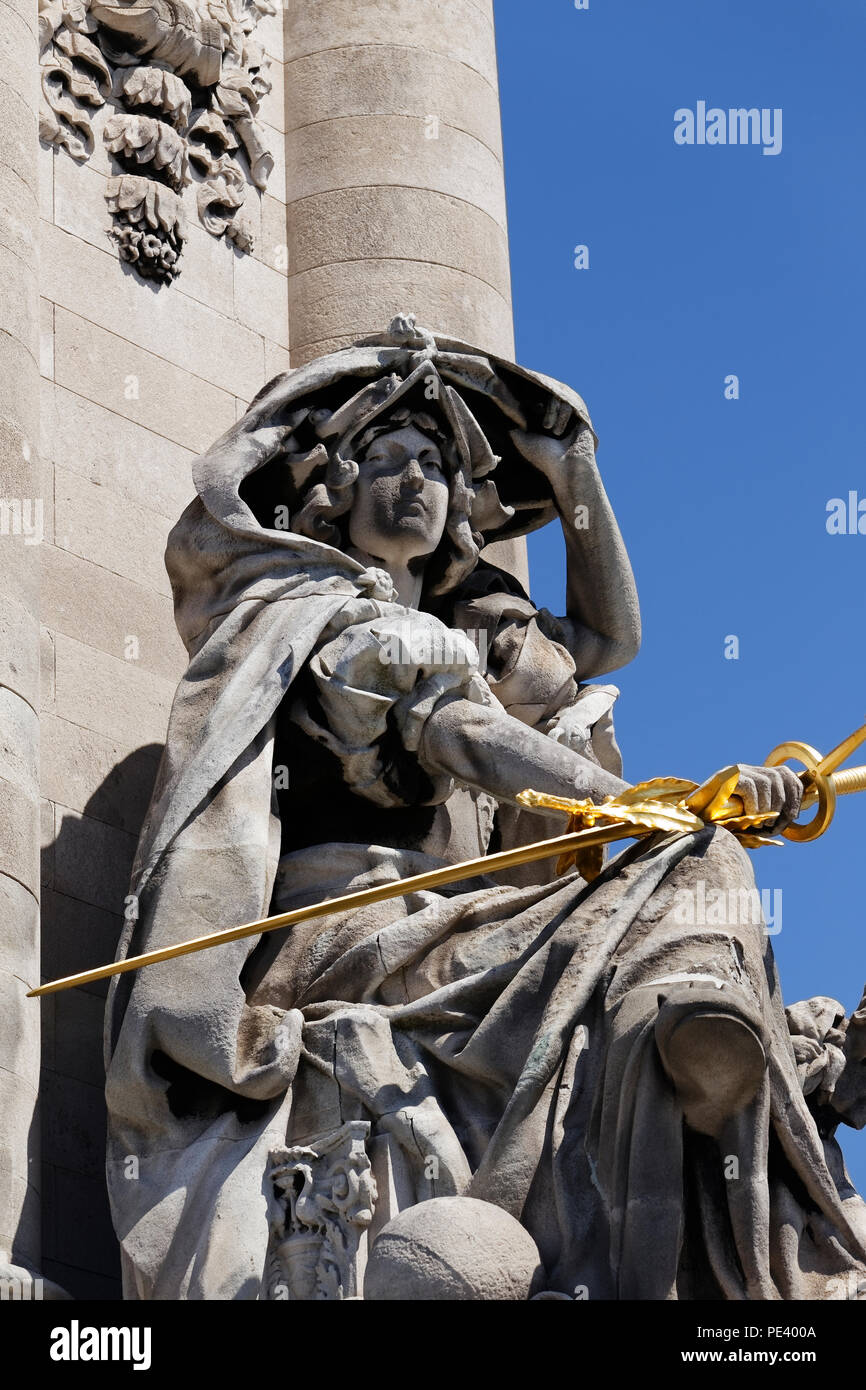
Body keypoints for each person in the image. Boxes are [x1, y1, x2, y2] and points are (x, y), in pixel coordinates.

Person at [105, 317, 866, 1300]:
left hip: (454, 925)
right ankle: (677, 1039)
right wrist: (632, 807)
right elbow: (461, 729)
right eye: (388, 458)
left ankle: (684, 1027)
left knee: (703, 856)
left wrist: (573, 471)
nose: (416, 478)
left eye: (433, 461)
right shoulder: (311, 621)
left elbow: (601, 644)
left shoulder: (480, 629)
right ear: (335, 493)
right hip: (342, 931)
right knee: (680, 849)